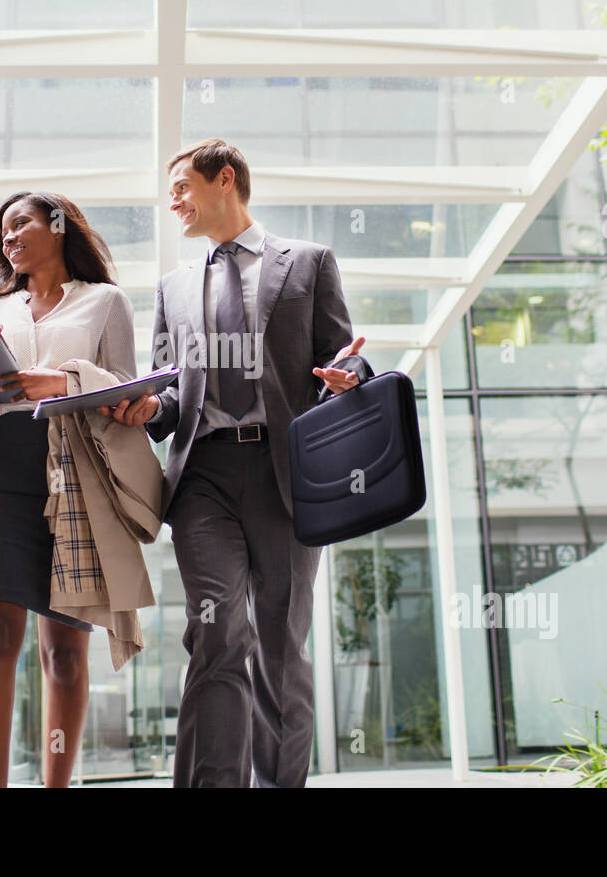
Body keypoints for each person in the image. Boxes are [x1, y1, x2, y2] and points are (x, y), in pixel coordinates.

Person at [107, 138, 371, 787]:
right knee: (216, 635)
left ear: (224, 180)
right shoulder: (173, 287)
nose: (172, 202)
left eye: (180, 188)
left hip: (288, 475)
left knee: (281, 646)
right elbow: (171, 391)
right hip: (204, 480)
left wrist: (349, 376)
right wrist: (148, 409)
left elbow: (345, 356)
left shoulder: (308, 264)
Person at [0, 190, 141, 787]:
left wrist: (63, 383)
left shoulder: (105, 302)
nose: (9, 237)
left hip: (74, 475)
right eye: (2, 230)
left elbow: (131, 397)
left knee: (64, 649)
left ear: (58, 227)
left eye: (21, 224)